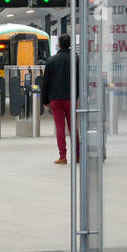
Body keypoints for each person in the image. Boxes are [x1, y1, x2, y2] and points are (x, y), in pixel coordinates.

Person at [44, 33, 74, 165]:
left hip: (55, 99)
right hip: (71, 98)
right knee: (74, 127)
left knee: (60, 127)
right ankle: (77, 155)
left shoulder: (51, 61)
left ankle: (63, 156)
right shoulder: (76, 59)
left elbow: (46, 82)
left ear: (59, 44)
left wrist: (45, 100)